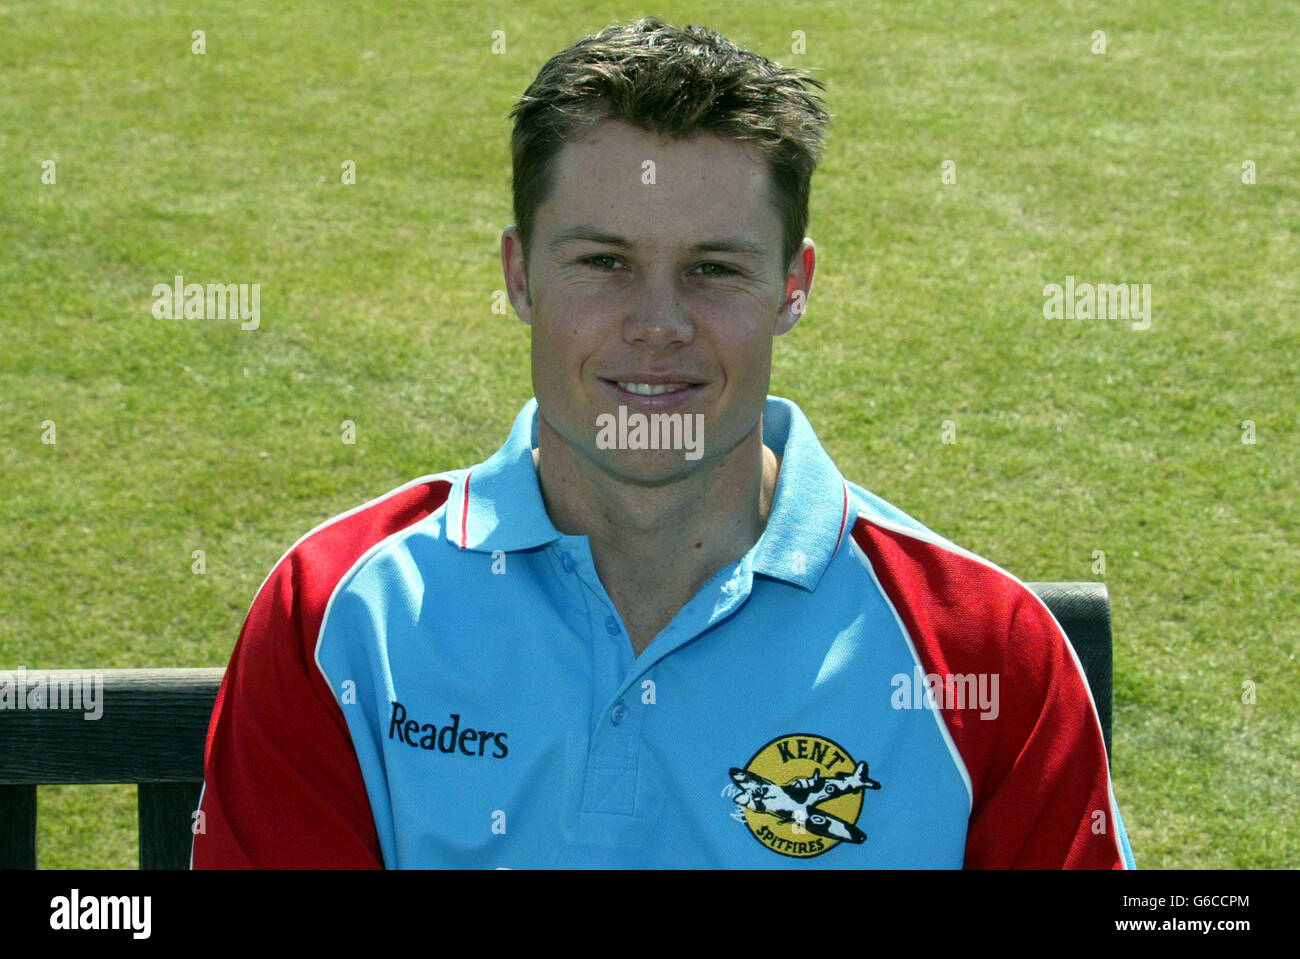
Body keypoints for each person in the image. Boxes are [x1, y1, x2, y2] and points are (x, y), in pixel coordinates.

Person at [191, 16, 1135, 868]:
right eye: (604, 262)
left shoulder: (986, 654)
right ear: (519, 275)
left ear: (792, 287)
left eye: (713, 269)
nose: (658, 324)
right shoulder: (341, 617)